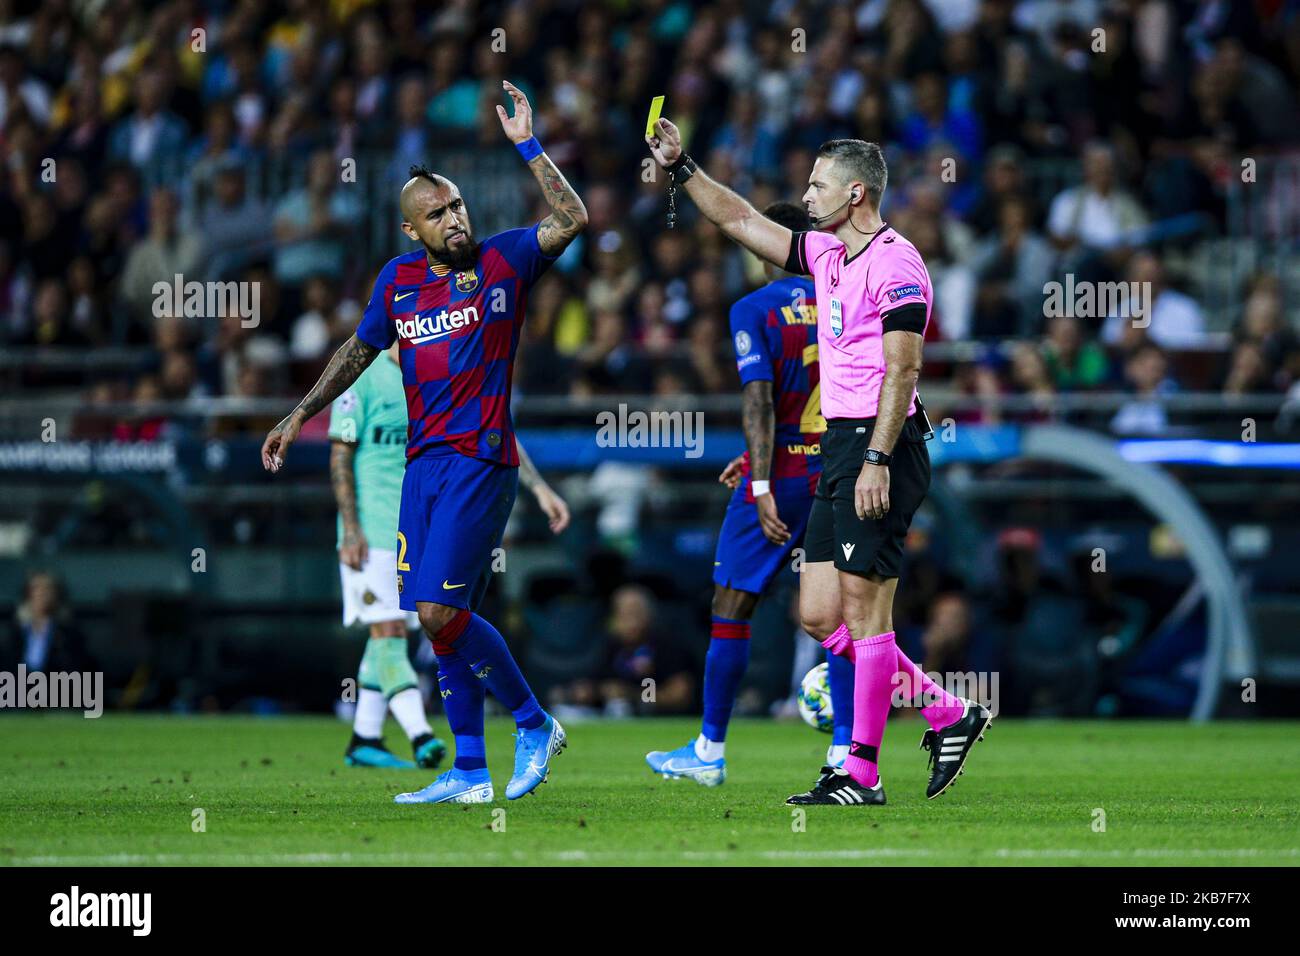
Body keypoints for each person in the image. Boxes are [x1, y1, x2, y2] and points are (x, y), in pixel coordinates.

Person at [646, 121, 989, 806]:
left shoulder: (897, 263)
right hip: (841, 445)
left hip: (880, 448)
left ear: (856, 192)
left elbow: (905, 369)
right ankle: (948, 712)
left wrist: (877, 459)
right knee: (818, 612)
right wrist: (683, 165)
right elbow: (741, 218)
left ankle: (859, 771)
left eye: (816, 184)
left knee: (865, 617)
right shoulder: (829, 257)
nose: (804, 195)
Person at [262, 81, 587, 804]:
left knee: (441, 614)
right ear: (413, 229)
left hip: (478, 462)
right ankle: (470, 771)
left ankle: (534, 724)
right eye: (436, 214)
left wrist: (528, 145)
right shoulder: (399, 282)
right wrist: (296, 413)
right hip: (422, 469)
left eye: (457, 206)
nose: (453, 219)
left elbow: (573, 216)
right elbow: (355, 350)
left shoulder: (505, 261)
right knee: (438, 624)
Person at [644, 201, 855, 786]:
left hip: (781, 477)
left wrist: (760, 482)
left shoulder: (752, 309)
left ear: (770, 246)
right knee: (838, 612)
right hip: (835, 474)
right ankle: (844, 754)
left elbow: (760, 401)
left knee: (733, 607)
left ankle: (709, 751)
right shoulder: (846, 300)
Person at [331, 339, 570, 769]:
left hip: (422, 524)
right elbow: (340, 453)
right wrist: (350, 528)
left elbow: (497, 431)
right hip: (372, 533)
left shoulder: (438, 373)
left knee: (410, 627)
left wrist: (538, 487)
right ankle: (422, 734)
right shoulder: (363, 376)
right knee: (390, 630)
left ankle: (365, 736)